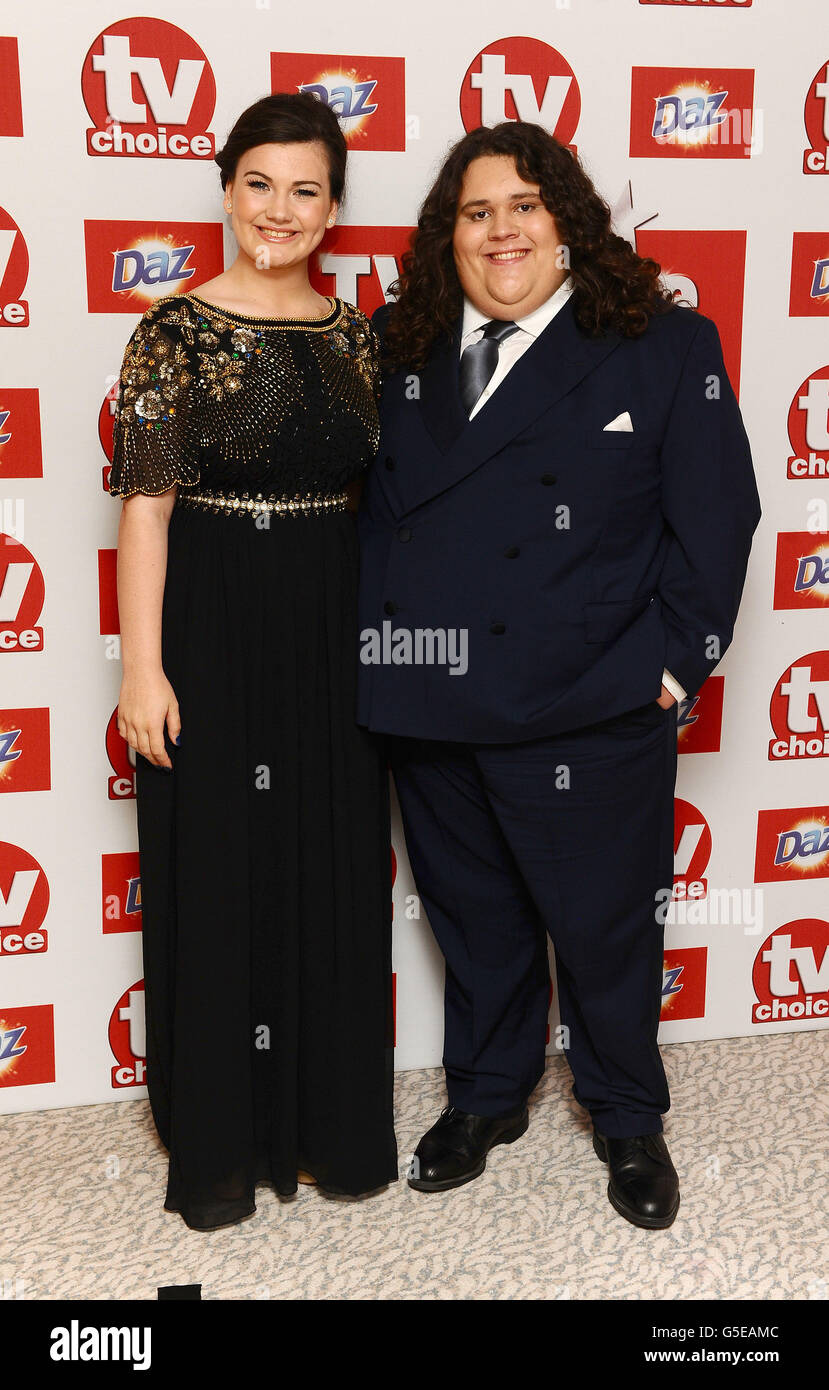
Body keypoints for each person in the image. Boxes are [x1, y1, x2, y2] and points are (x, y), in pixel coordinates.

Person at [356, 121, 761, 1229]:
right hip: (431, 694)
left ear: (568, 223)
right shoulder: (399, 342)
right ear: (450, 234)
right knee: (472, 920)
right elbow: (367, 521)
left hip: (591, 699)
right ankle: (488, 1097)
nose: (501, 231)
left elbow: (718, 519)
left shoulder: (661, 346)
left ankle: (626, 1113)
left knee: (603, 927)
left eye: (526, 206)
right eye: (476, 211)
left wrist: (671, 669)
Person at [109, 91, 397, 1231]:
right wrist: (144, 669)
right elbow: (145, 509)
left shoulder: (357, 333)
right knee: (222, 865)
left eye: (306, 188)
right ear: (226, 190)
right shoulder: (171, 330)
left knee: (328, 862)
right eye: (260, 184)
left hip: (332, 629)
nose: (280, 210)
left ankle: (328, 1125)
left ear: (334, 207)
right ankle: (224, 1131)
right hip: (212, 628)